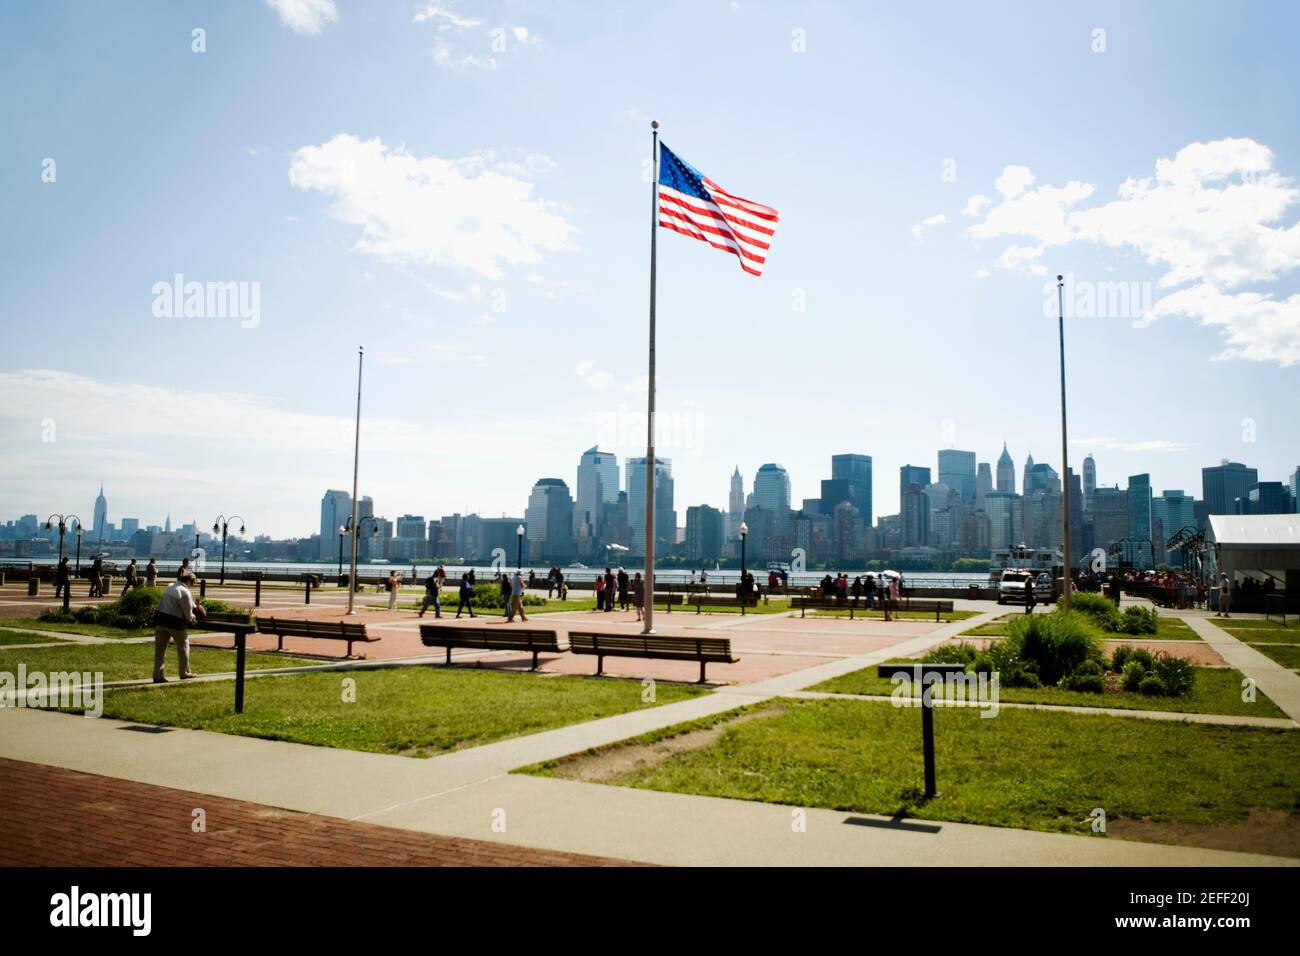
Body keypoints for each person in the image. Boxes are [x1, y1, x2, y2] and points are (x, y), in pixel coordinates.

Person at [153, 573, 201, 683]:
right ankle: (184, 673)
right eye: (193, 582)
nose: (193, 585)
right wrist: (195, 618)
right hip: (175, 623)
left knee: (160, 651)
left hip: (160, 620)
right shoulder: (185, 592)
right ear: (189, 581)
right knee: (184, 647)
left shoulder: (170, 586)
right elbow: (188, 615)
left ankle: (157, 675)